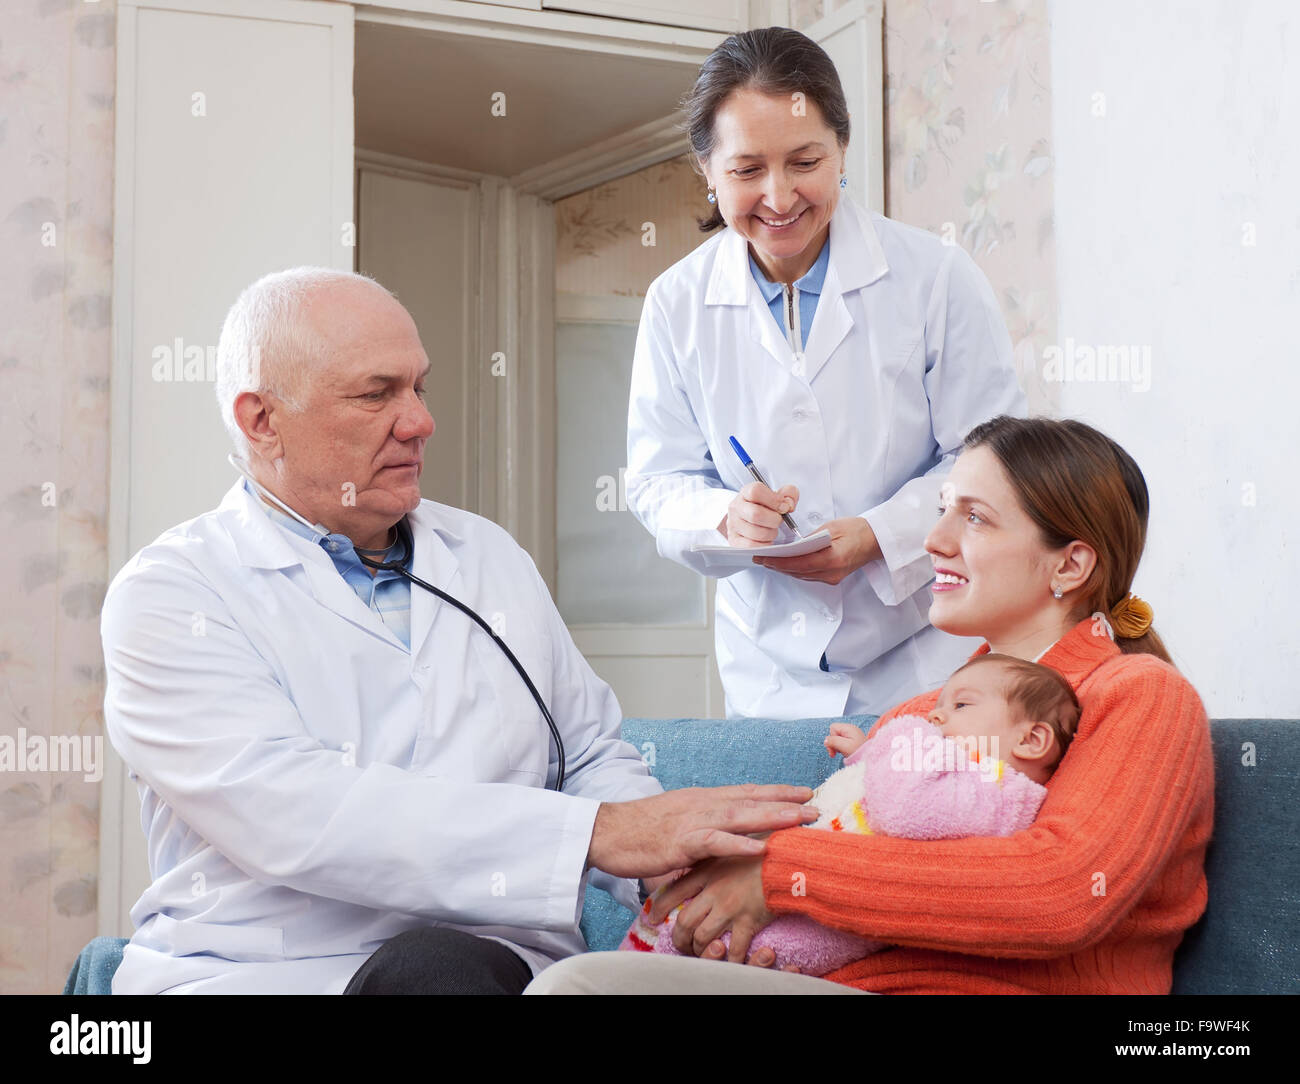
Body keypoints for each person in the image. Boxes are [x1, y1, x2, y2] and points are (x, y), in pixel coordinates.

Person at [100, 267, 819, 995]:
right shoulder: (171, 594)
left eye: (419, 388)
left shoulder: (486, 555)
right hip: (265, 972)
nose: (418, 422)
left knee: (446, 972)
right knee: (431, 972)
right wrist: (598, 834)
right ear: (262, 421)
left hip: (491, 966)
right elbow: (296, 812)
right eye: (376, 394)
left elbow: (587, 751)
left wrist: (676, 882)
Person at [526, 415, 1215, 994]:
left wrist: (778, 875)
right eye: (942, 508)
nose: (935, 539)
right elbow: (843, 868)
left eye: (973, 517)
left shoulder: (1143, 697)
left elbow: (1061, 894)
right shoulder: (917, 716)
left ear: (1070, 565)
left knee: (579, 989)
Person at [625, 27, 1026, 720]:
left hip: (930, 652)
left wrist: (880, 533)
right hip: (768, 673)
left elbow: (994, 460)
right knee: (794, 827)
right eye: (747, 170)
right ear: (708, 173)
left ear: (842, 150)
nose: (779, 197)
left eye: (804, 161)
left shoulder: (934, 278)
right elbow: (658, 481)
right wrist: (726, 515)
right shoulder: (676, 303)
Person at [618, 654, 1080, 974]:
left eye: (960, 706)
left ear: (1031, 741)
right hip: (796, 874)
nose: (933, 718)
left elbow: (905, 811)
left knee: (695, 942)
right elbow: (881, 799)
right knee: (689, 888)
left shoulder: (1001, 796)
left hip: (807, 924)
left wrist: (896, 740)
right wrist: (868, 755)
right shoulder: (958, 768)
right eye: (938, 706)